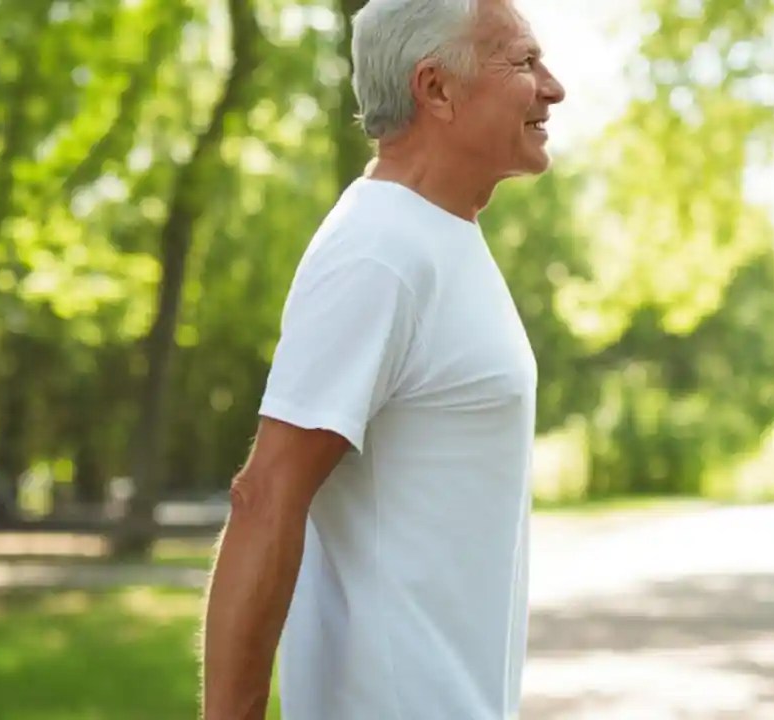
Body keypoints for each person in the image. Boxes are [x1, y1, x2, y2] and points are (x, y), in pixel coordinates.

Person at [201, 0, 565, 717]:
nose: (553, 88)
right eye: (524, 62)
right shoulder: (379, 252)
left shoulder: (438, 235)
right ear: (436, 88)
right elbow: (266, 497)